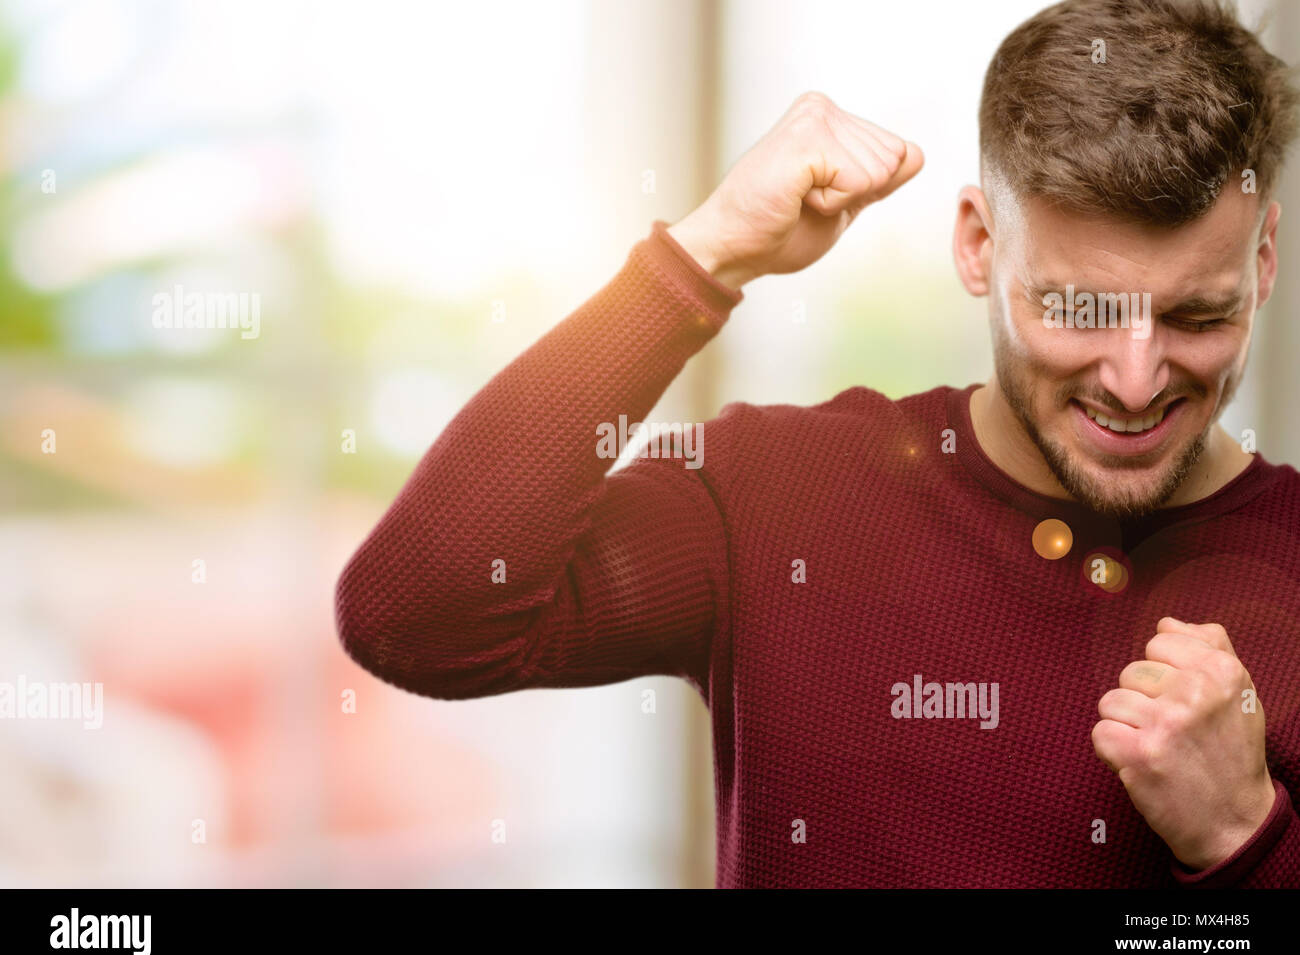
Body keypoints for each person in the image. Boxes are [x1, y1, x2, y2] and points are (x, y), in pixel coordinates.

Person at [335, 0, 1300, 887]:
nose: (1134, 380)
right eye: (1073, 309)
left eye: (1195, 315)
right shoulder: (779, 493)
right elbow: (416, 618)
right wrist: (699, 259)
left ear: (1261, 265)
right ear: (976, 243)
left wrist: (1241, 838)